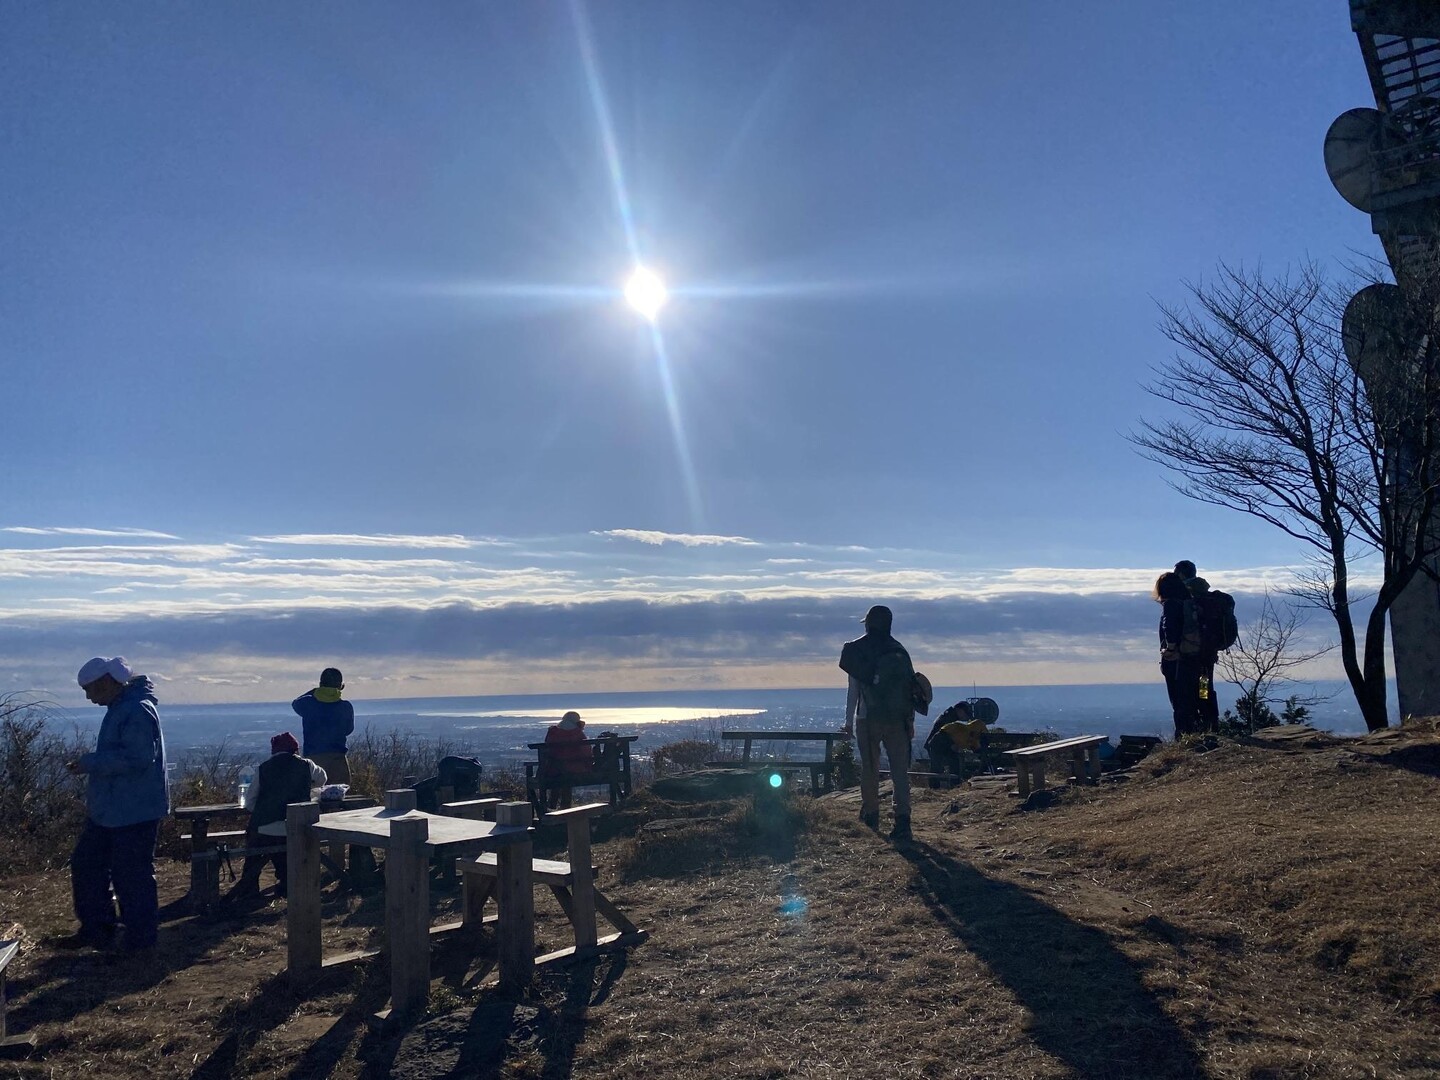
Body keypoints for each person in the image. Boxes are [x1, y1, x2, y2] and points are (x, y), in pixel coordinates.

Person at [62, 656, 169, 951]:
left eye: (90, 689)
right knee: (89, 865)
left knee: (131, 876)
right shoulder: (124, 706)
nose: (88, 696)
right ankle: (98, 929)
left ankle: (139, 941)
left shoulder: (135, 709)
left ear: (107, 683)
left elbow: (137, 758)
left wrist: (89, 763)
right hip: (113, 810)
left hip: (134, 810)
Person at [839, 605, 917, 841]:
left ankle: (871, 813)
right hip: (898, 719)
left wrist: (848, 723)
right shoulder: (899, 650)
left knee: (870, 769)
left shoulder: (857, 650)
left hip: (867, 718)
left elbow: (853, 691)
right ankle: (902, 820)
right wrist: (910, 720)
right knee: (899, 771)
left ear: (868, 623)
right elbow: (911, 689)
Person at [229, 731, 326, 901]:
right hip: (296, 824)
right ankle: (288, 883)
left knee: (256, 844)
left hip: (265, 828)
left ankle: (249, 886)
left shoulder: (264, 768)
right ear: (295, 749)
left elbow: (251, 802)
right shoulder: (306, 765)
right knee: (287, 845)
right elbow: (322, 779)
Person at [1154, 571, 1203, 740]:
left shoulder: (1171, 605)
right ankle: (1206, 727)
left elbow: (1170, 628)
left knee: (1179, 701)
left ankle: (1184, 737)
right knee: (1200, 695)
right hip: (1199, 661)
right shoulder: (1192, 603)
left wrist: (1170, 649)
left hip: (1177, 662)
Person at [1176, 560, 1221, 737]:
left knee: (1186, 693)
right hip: (1208, 655)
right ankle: (1211, 724)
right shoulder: (1207, 594)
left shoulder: (1185, 595)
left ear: (1180, 574)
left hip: (1189, 656)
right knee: (1204, 689)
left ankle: (1192, 731)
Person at [292, 667, 354, 785]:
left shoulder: (308, 703)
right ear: (340, 686)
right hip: (337, 759)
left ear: (321, 684)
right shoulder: (345, 707)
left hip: (313, 760)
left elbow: (295, 702)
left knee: (313, 797)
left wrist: (314, 691)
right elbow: (348, 730)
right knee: (340, 796)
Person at [923, 701, 984, 783]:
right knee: (939, 768)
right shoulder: (948, 718)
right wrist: (952, 745)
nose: (966, 718)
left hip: (939, 744)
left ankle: (950, 785)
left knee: (949, 764)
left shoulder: (949, 715)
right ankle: (940, 787)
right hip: (938, 745)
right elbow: (942, 734)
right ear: (960, 711)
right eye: (966, 714)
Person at [542, 711, 592, 810]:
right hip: (574, 768)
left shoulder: (553, 732)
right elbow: (586, 750)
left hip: (554, 768)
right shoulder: (577, 733)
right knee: (566, 781)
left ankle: (551, 806)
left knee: (559, 780)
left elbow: (548, 749)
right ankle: (565, 808)